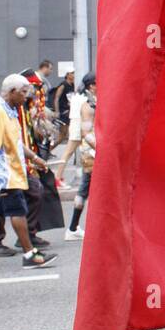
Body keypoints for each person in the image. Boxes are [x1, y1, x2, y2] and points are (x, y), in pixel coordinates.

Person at [0, 75, 56, 269]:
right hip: (2, 175)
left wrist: (35, 158)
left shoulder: (9, 110)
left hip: (9, 173)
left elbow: (15, 143)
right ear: (12, 92)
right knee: (18, 210)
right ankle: (29, 254)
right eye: (23, 92)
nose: (26, 97)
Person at [65, 73, 96, 239]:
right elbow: (86, 132)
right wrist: (100, 148)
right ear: (92, 86)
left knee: (84, 190)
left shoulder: (92, 103)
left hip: (92, 153)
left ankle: (73, 227)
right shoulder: (89, 106)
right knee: (86, 190)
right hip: (92, 154)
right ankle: (73, 227)